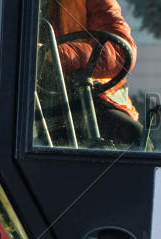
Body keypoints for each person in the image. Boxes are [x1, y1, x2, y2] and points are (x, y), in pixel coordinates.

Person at [46, 0, 142, 147]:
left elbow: (119, 51)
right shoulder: (5, 10)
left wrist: (57, 54)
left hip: (91, 96)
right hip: (33, 106)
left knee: (134, 137)